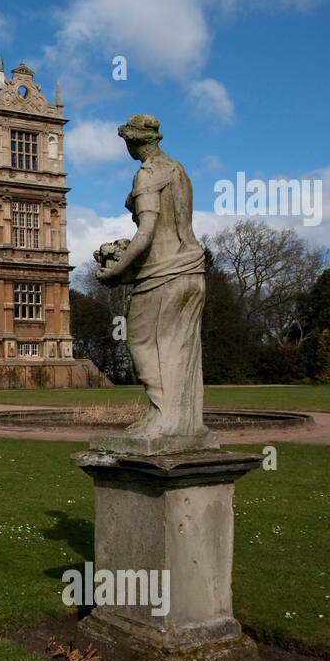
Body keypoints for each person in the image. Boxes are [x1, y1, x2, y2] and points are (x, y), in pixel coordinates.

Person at [96, 115, 209, 442]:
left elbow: (145, 234)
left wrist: (117, 270)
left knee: (142, 343)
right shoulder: (177, 170)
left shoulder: (147, 175)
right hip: (191, 267)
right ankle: (185, 423)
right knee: (182, 348)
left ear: (133, 142)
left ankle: (163, 418)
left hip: (164, 272)